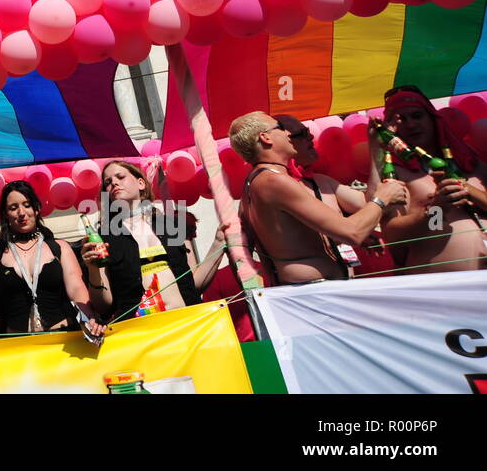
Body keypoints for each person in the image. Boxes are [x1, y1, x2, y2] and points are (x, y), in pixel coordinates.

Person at [229, 110, 408, 285]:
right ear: (265, 138)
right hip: (312, 290)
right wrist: (382, 198)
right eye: (281, 128)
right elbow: (353, 232)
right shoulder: (274, 181)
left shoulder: (256, 183)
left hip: (311, 289)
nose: (287, 134)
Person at [0, 180, 103, 337]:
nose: (21, 212)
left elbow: (77, 291)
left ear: (36, 209)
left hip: (61, 338)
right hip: (18, 344)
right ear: (6, 214)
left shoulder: (60, 247)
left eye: (27, 205)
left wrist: (90, 318)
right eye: (13, 208)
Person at [81, 162, 227, 322]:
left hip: (188, 324)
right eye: (108, 183)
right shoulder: (103, 237)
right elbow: (103, 305)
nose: (114, 183)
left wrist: (219, 244)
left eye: (121, 177)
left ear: (141, 183)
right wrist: (93, 270)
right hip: (143, 334)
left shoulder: (172, 225)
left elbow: (193, 283)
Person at [376, 86, 487, 274]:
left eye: (417, 116)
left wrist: (467, 189)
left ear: (432, 118)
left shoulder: (468, 159)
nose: (410, 124)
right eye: (401, 119)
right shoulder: (393, 173)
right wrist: (437, 209)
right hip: (444, 287)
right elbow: (393, 237)